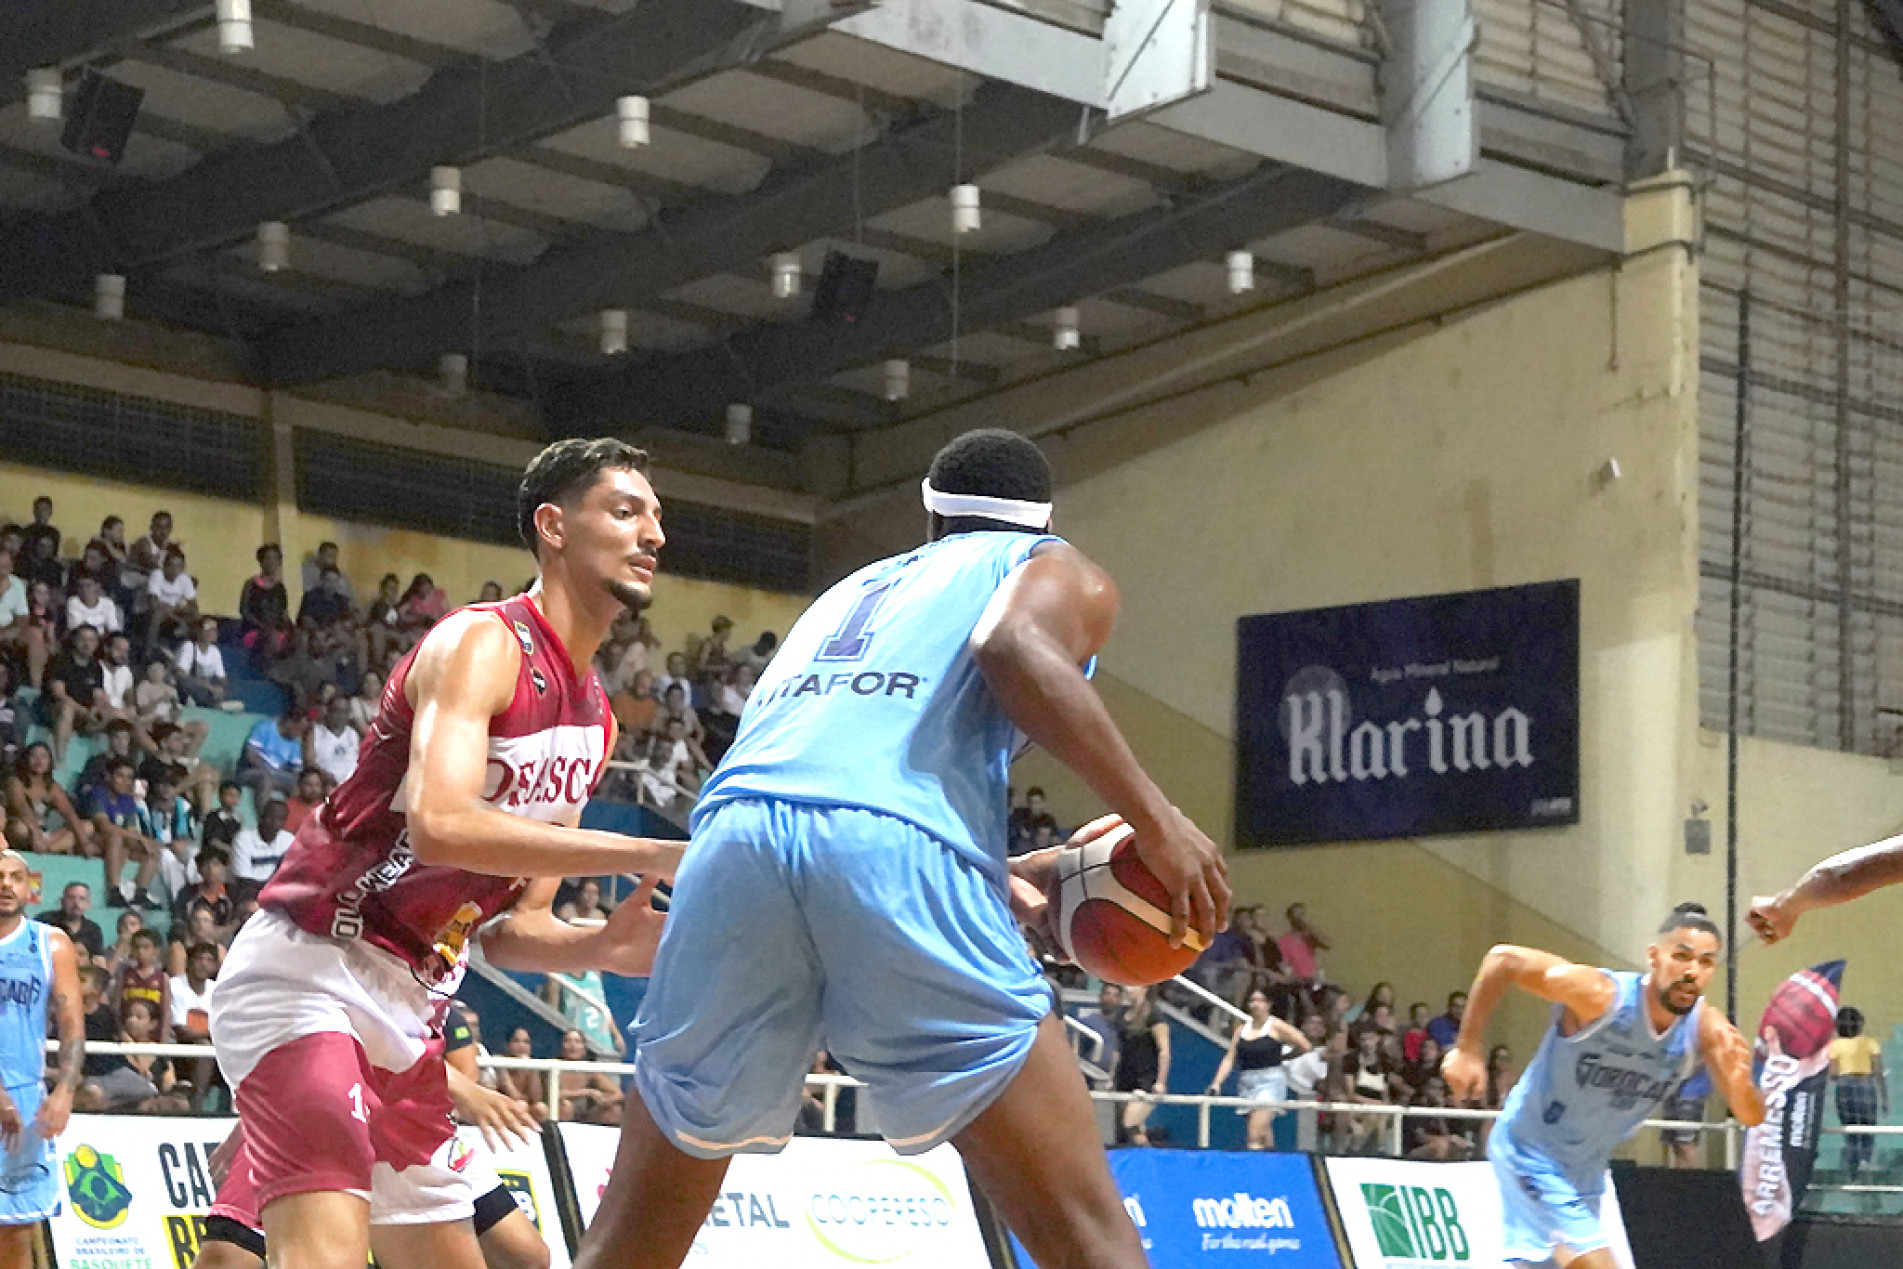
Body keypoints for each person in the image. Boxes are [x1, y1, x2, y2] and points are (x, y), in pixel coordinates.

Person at [572, 429, 1228, 1269]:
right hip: (887, 849)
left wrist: (993, 872)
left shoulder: (850, 592)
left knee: (626, 1246)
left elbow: (824, 786)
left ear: (930, 517)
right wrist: (1158, 818)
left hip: (728, 841)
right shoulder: (1055, 564)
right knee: (1086, 1237)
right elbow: (1011, 648)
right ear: (1040, 522)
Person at [205, 437, 681, 1269]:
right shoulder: (482, 643)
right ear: (553, 526)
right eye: (625, 510)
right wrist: (653, 849)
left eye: (656, 517)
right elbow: (440, 824)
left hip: (411, 1010)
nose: (652, 534)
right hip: (314, 967)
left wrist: (600, 944)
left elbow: (507, 926)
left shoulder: (595, 718)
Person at [1441, 903, 1764, 1269]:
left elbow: (1750, 1114)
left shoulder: (1708, 1030)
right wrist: (1467, 1048)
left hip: (1587, 1169)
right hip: (1531, 1149)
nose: (1692, 971)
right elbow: (1504, 960)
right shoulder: (1601, 996)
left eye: (1706, 963)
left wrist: (1741, 1083)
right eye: (1682, 956)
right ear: (1654, 957)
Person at [0, 850, 84, 1268]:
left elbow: (72, 1024)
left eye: (16, 877)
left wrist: (65, 1090)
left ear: (29, 887)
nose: (6, 885)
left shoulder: (51, 943)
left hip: (26, 1100)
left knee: (15, 1234)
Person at [1208, 987, 1311, 1150]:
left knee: (1254, 1133)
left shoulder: (1276, 1026)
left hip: (1270, 1081)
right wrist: (1217, 1083)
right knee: (1264, 1134)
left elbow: (1304, 1045)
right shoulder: (1241, 1030)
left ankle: (1253, 1166)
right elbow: (1230, 1057)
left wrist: (1285, 1057)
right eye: (1252, 1001)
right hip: (1246, 1082)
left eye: (1259, 1001)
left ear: (1268, 1004)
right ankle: (1273, 1164)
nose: (1255, 1005)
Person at [1830, 1008, 1887, 1179]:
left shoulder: (1835, 1046)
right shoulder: (1870, 1043)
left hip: (1845, 1087)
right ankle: (1865, 1163)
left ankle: (1850, 1168)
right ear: (1860, 1025)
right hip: (1866, 1085)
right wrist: (1884, 1097)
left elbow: (1833, 1074)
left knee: (1850, 1129)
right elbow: (1878, 1072)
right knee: (1867, 1127)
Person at [5, 743, 90, 856]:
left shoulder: (52, 786)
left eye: (44, 757)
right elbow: (21, 807)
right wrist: (35, 833)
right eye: (34, 756)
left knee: (87, 826)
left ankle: (48, 848)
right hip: (26, 829)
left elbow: (69, 813)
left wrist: (84, 843)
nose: (39, 761)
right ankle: (45, 845)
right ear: (26, 759)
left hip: (47, 835)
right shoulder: (15, 782)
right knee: (20, 829)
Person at [555, 1027, 624, 1123]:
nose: (572, 1045)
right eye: (568, 1041)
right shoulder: (552, 1066)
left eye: (577, 1042)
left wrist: (605, 1101)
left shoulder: (588, 1070)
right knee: (566, 1106)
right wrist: (588, 1092)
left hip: (585, 1114)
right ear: (562, 1046)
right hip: (559, 1109)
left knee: (615, 1110)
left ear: (584, 1049)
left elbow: (618, 1093)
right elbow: (555, 1094)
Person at [36, 881, 105, 964]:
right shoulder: (44, 921)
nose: (76, 903)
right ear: (62, 901)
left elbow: (99, 962)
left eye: (82, 899)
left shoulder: (93, 929)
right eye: (71, 898)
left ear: (88, 904)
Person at [175, 615, 229, 706]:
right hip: (188, 688)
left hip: (206, 689)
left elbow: (222, 677)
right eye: (207, 631)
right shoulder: (189, 646)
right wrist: (206, 686)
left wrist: (220, 688)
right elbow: (180, 674)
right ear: (198, 632)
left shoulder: (215, 651)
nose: (210, 633)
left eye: (213, 630)